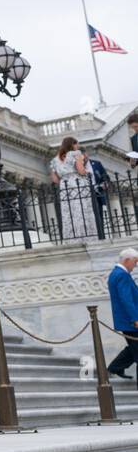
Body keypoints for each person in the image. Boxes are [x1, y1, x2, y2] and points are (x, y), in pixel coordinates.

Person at [49, 136, 95, 240]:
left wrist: (65, 178)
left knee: (68, 212)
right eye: (76, 144)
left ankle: (71, 237)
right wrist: (87, 172)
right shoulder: (76, 154)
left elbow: (55, 179)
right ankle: (85, 236)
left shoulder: (55, 160)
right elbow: (81, 170)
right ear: (72, 144)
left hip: (64, 186)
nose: (77, 146)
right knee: (81, 209)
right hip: (77, 182)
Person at [105, 248, 138, 387]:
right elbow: (126, 299)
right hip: (131, 322)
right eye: (135, 262)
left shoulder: (116, 274)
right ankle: (114, 367)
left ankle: (115, 367)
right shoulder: (122, 275)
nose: (135, 265)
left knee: (133, 348)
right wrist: (135, 319)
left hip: (127, 321)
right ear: (126, 260)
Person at [86, 149, 111, 236]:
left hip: (97, 194)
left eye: (84, 155)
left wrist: (105, 183)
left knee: (99, 216)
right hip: (85, 196)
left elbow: (105, 176)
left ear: (86, 154)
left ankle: (101, 235)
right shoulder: (78, 166)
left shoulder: (96, 164)